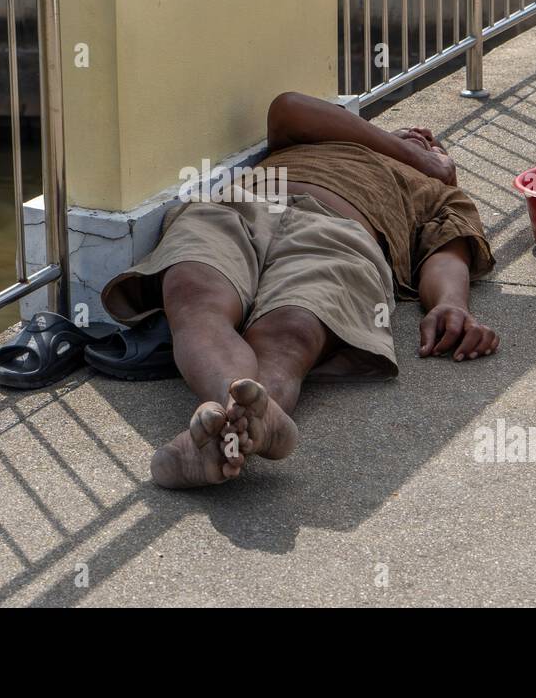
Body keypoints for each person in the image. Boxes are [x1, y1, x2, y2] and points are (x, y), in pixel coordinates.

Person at [100, 92, 498, 488]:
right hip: (241, 205)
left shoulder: (440, 192)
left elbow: (449, 250)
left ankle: (227, 431)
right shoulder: (323, 137)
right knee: (193, 290)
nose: (423, 135)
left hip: (337, 234)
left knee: (292, 330)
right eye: (413, 137)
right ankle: (244, 417)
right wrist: (417, 153)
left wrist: (450, 303)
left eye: (432, 143)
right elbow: (287, 105)